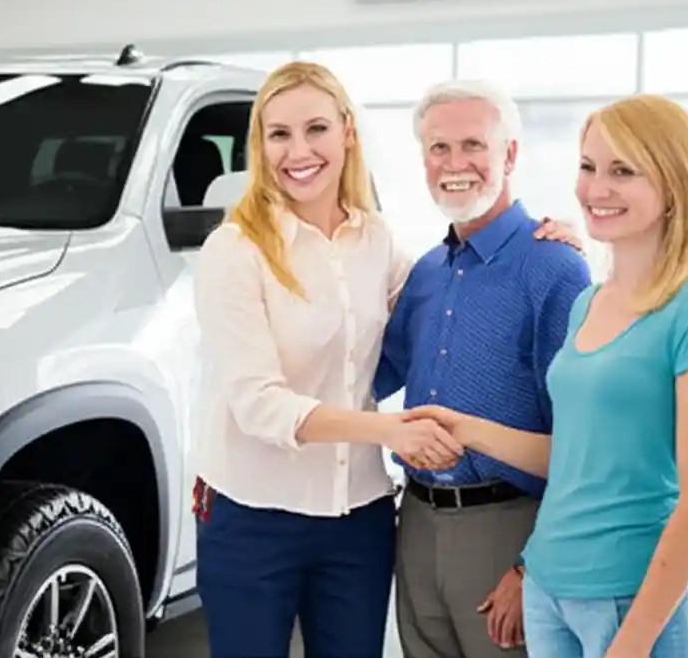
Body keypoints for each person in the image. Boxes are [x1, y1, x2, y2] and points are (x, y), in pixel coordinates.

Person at [190, 62, 579, 657]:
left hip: (361, 519)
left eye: (316, 128)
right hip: (257, 511)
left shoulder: (382, 245)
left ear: (348, 132)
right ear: (260, 147)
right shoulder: (234, 249)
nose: (299, 151)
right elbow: (259, 403)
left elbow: (455, 302)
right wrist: (391, 430)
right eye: (279, 135)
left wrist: (560, 239)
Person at [420, 94, 688, 658]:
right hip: (551, 591)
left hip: (632, 600)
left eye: (623, 170)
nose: (597, 188)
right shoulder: (589, 302)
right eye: (589, 167)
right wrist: (466, 429)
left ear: (674, 185)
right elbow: (573, 456)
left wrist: (633, 642)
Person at [372, 79, 592, 658]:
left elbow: (580, 440)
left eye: (473, 145)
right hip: (416, 522)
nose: (454, 164)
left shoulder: (555, 269)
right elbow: (361, 379)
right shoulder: (424, 273)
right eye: (438, 148)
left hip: (508, 527)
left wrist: (531, 566)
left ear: (510, 155)